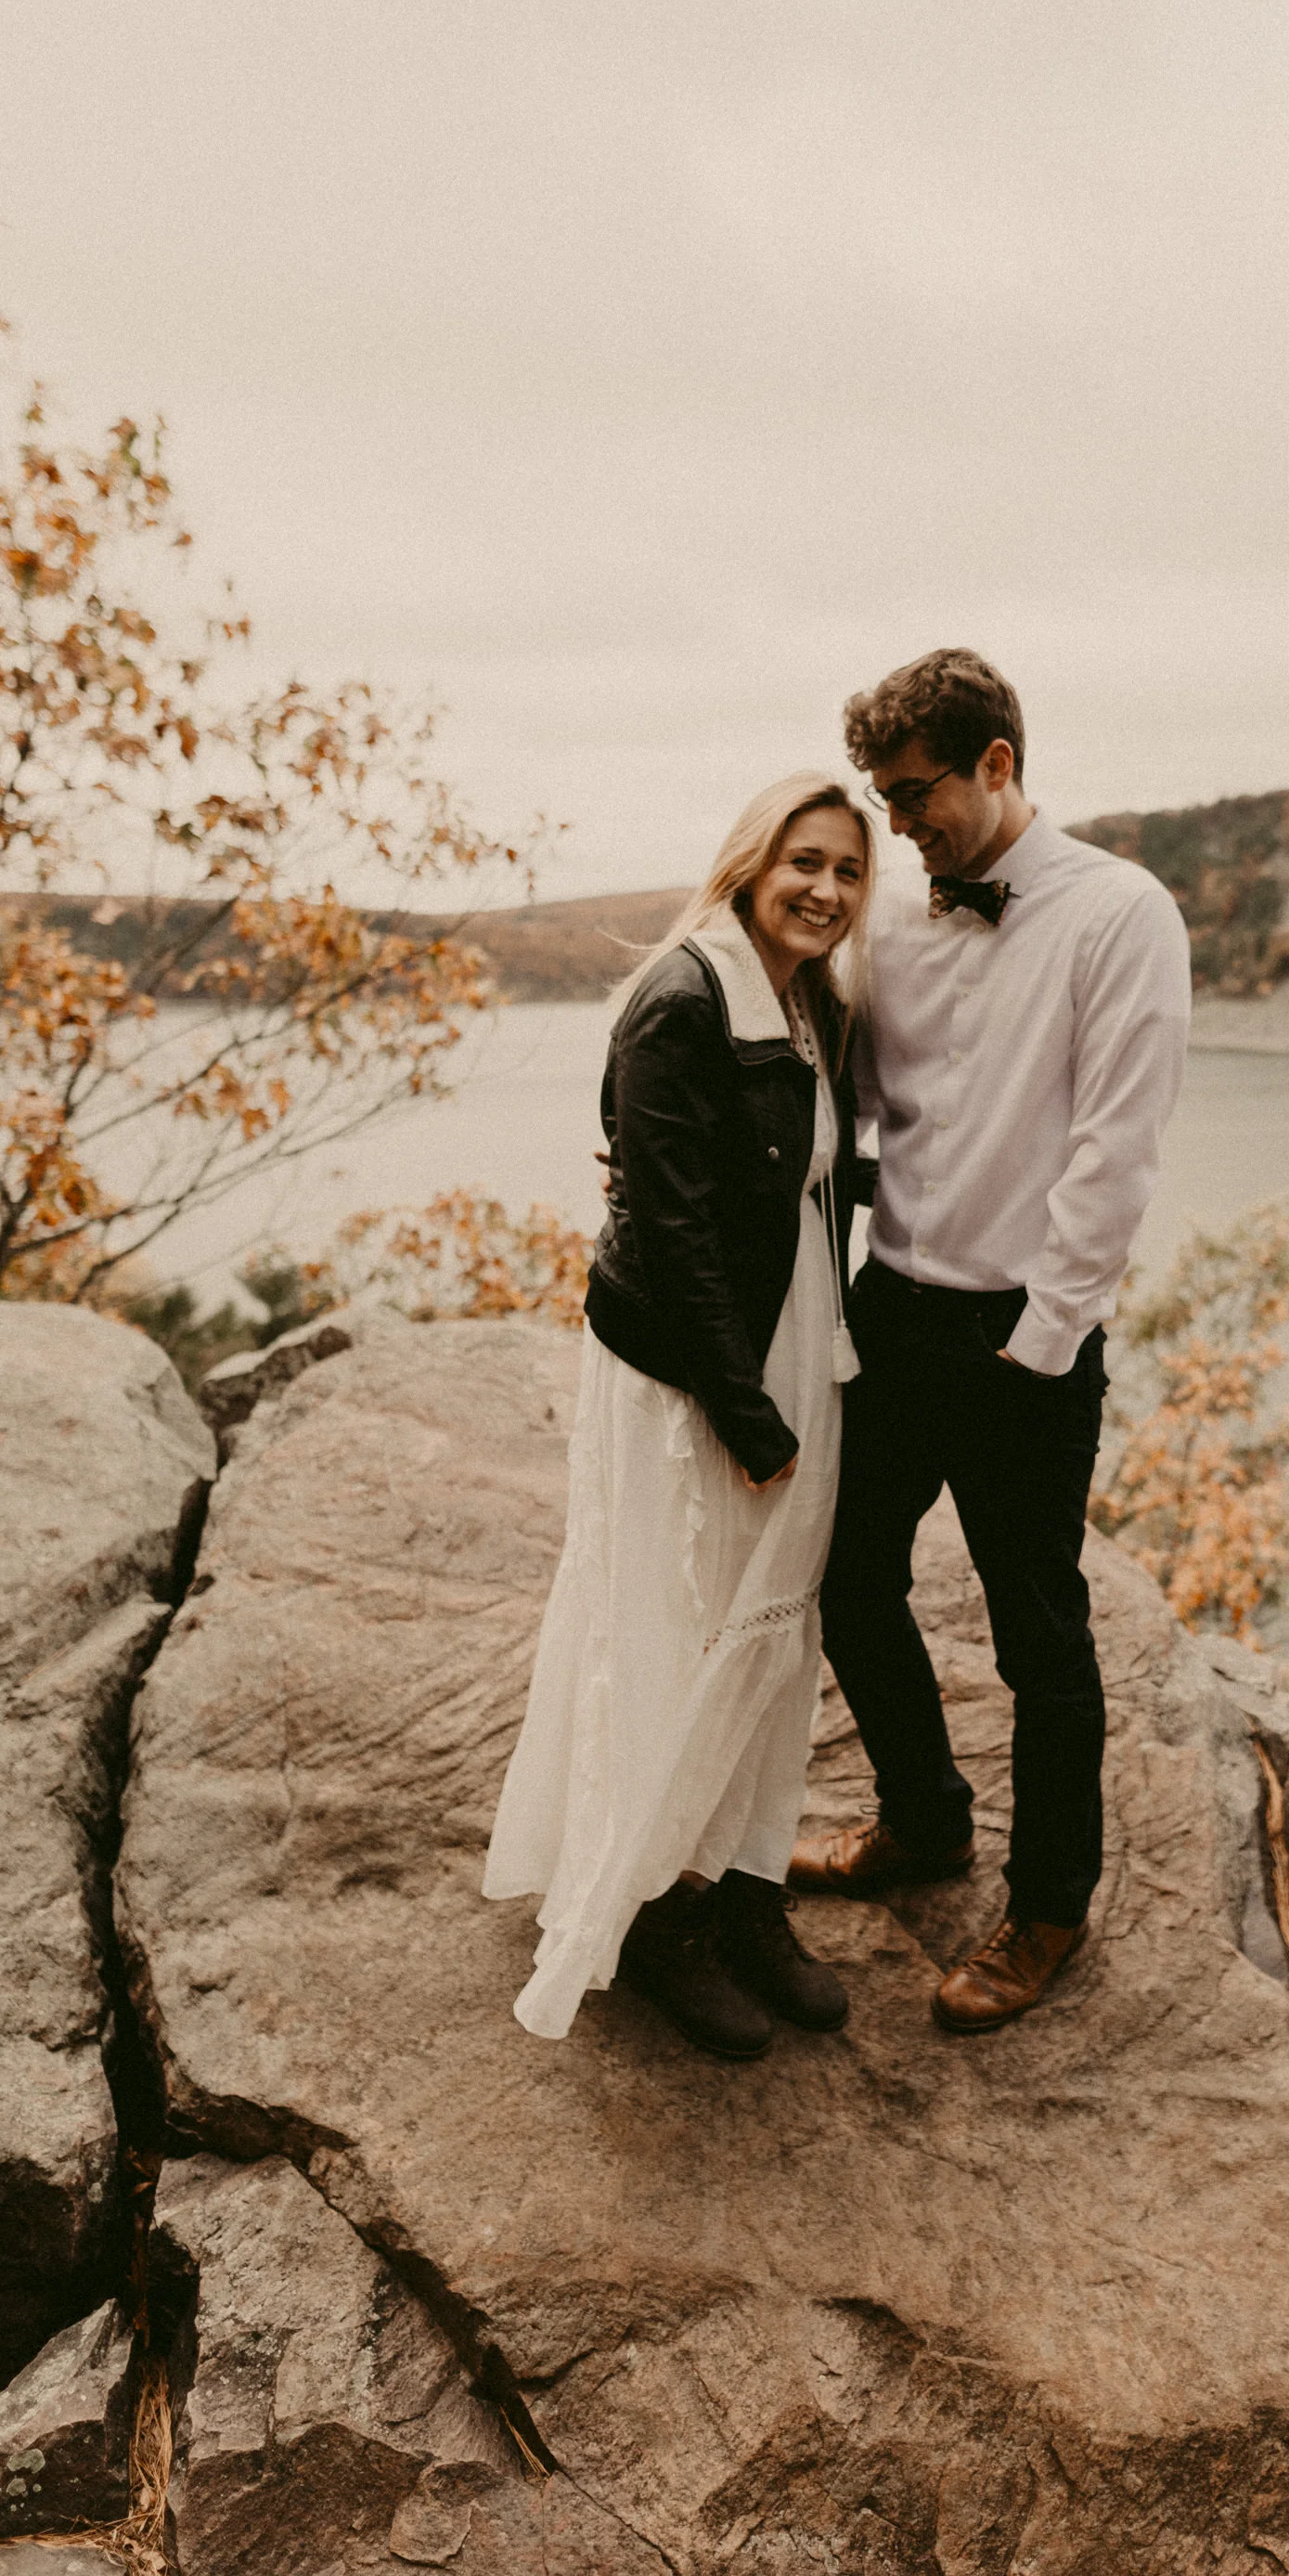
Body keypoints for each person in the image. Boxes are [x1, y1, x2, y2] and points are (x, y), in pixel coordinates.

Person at [789, 649, 1192, 2030]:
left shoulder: (1122, 915)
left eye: (918, 798)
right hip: (891, 1314)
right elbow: (834, 1100)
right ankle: (925, 1818)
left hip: (1025, 1339)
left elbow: (1115, 1153)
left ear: (999, 765)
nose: (899, 828)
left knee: (1040, 1641)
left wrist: (1039, 1346)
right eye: (887, 801)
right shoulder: (891, 920)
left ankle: (1048, 1912)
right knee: (847, 1579)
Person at [483, 775, 873, 2060]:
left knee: (775, 1631)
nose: (824, 889)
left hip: (798, 1337)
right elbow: (674, 1221)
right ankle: (654, 1916)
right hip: (693, 1367)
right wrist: (745, 1410)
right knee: (677, 1623)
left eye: (847, 872)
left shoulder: (812, 998)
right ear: (753, 862)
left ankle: (749, 1888)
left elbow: (809, 1174)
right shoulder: (684, 997)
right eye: (803, 862)